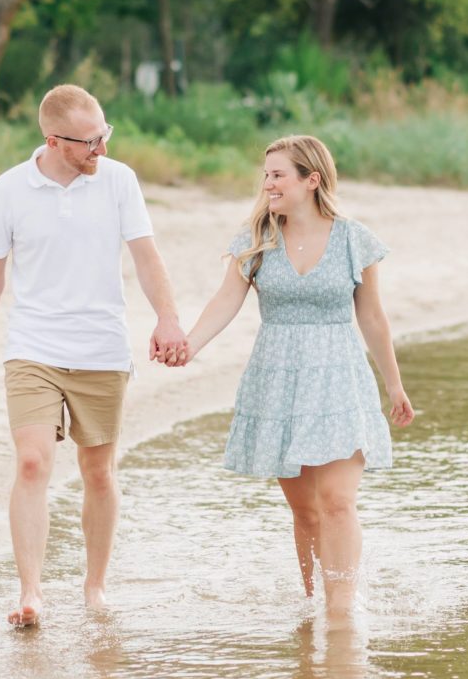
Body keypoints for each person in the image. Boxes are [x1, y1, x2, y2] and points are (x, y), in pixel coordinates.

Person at [0, 84, 187, 628]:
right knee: (34, 461)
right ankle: (31, 593)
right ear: (54, 141)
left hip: (101, 348)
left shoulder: (119, 182)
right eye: (90, 143)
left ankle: (95, 587)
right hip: (33, 347)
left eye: (104, 136)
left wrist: (168, 317)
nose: (101, 150)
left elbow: (147, 258)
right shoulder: (9, 190)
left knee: (99, 472)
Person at [171, 134, 414, 618]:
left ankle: (341, 611)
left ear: (312, 180)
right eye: (266, 176)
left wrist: (394, 384)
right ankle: (313, 604)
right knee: (305, 511)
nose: (268, 184)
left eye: (278, 175)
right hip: (278, 379)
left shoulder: (353, 239)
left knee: (338, 501)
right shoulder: (256, 239)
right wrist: (190, 344)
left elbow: (372, 318)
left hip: (340, 377)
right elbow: (226, 301)